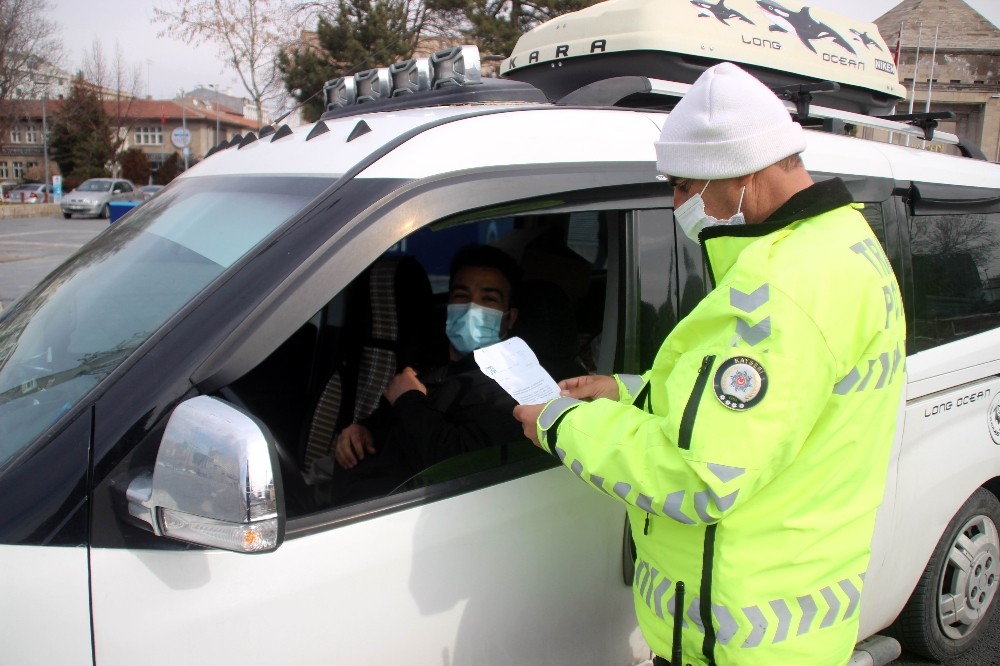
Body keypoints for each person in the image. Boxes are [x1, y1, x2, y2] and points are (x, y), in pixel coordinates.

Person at [514, 62, 906, 666]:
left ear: (740, 172)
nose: (676, 203)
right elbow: (767, 410)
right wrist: (627, 392)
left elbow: (698, 476)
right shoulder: (842, 244)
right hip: (797, 613)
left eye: (681, 185)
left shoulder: (781, 293)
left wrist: (563, 422)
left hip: (737, 640)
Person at [333, 244, 525, 501]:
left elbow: (453, 465)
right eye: (461, 295)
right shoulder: (428, 362)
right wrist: (360, 430)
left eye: (488, 299)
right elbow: (388, 420)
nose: (471, 307)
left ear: (509, 318)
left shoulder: (512, 387)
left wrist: (408, 400)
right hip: (356, 494)